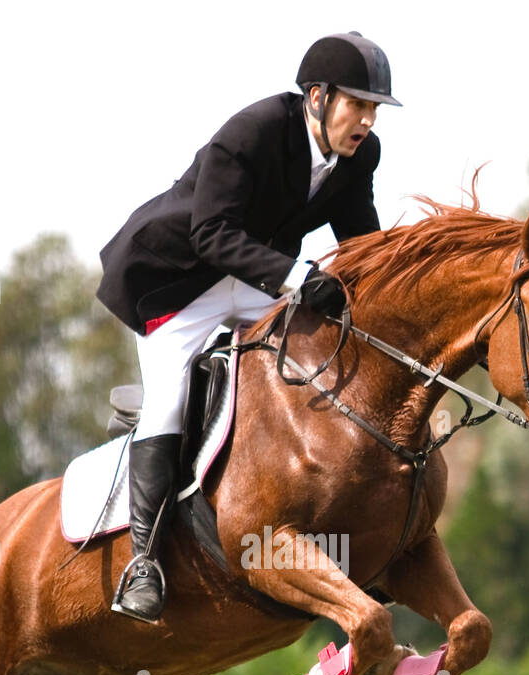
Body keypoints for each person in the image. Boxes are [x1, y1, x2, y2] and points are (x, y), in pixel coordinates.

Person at [96, 31, 401, 622]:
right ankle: (143, 564)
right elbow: (211, 233)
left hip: (255, 281)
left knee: (330, 347)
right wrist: (297, 275)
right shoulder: (253, 131)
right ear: (317, 96)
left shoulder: (361, 154)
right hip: (180, 279)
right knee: (169, 399)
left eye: (373, 109)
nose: (366, 120)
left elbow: (361, 237)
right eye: (357, 104)